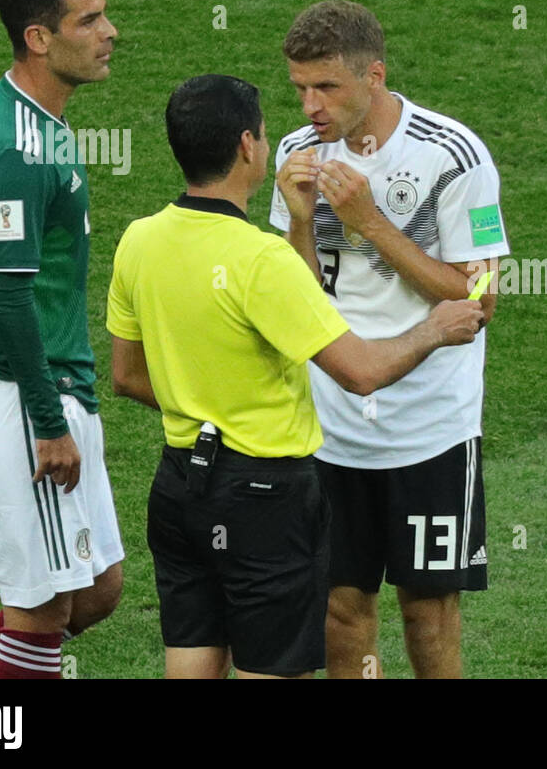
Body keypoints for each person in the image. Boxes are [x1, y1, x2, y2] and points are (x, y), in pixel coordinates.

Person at [107, 74, 483, 679]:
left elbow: (126, 375)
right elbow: (358, 372)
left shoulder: (138, 240)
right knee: (273, 666)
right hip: (262, 495)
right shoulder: (261, 259)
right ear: (249, 146)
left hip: (180, 487)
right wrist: (434, 330)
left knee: (192, 657)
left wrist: (208, 407)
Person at [268, 0, 510, 678]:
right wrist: (297, 224)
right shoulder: (296, 155)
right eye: (299, 89)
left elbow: (479, 296)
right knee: (342, 609)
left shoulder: (455, 156)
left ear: (374, 75)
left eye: (326, 87)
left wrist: (370, 222)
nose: (310, 105)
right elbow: (298, 299)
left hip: (430, 428)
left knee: (427, 614)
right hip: (331, 425)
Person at [0, 0, 122, 679]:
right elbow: (10, 294)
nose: (111, 31)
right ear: (40, 38)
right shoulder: (20, 148)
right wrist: (48, 422)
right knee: (42, 613)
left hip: (46, 388)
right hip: (23, 397)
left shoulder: (22, 111)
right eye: (90, 20)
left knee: (97, 592)